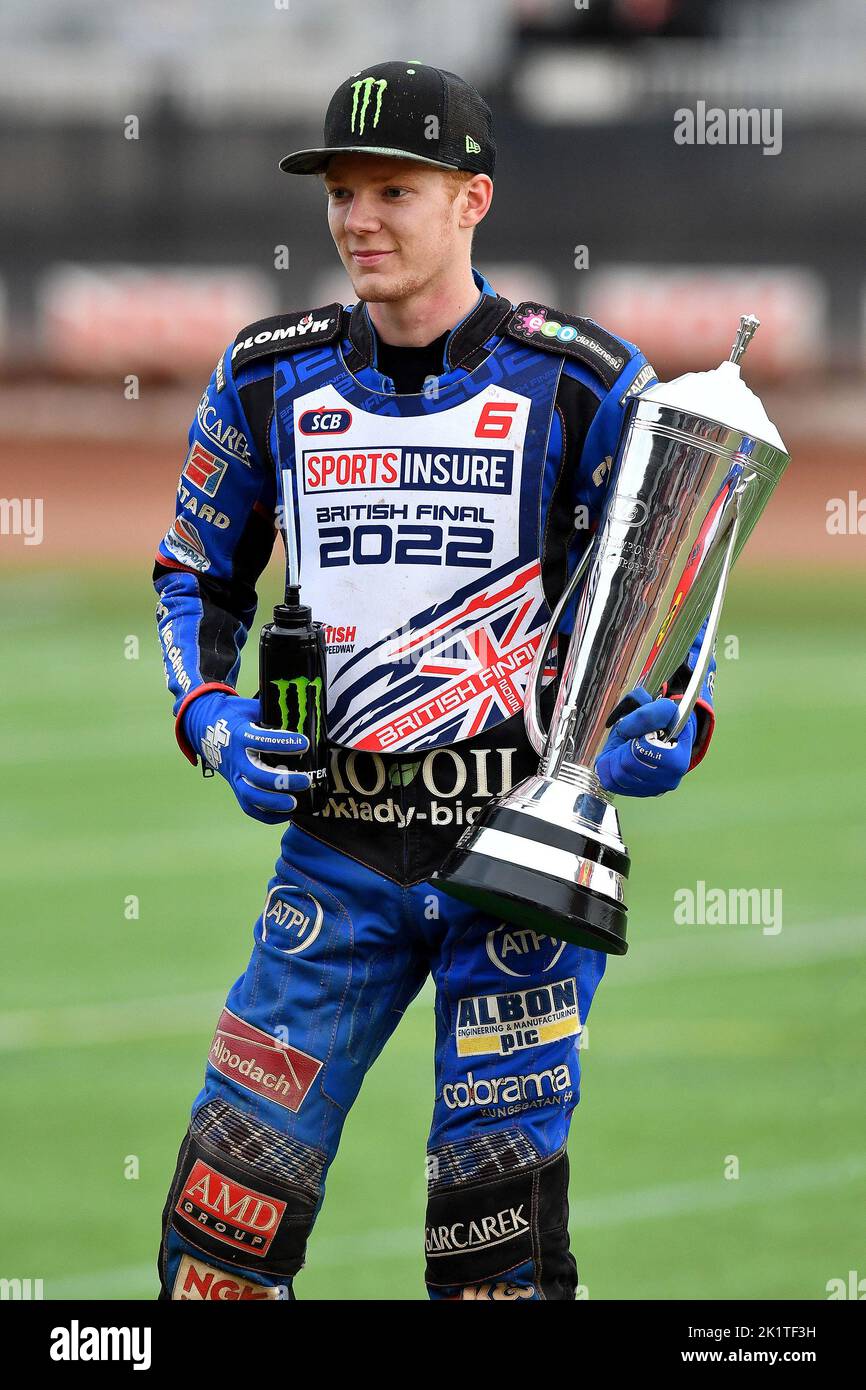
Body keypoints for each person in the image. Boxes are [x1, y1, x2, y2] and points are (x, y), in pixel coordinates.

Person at [153, 59, 715, 1302]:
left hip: (519, 860)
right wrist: (209, 713)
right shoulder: (267, 371)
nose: (357, 219)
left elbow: (675, 602)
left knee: (493, 1263)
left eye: (391, 191)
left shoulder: (584, 377)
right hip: (333, 855)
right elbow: (194, 569)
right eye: (341, 193)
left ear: (472, 199)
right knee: (217, 1237)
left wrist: (671, 718)